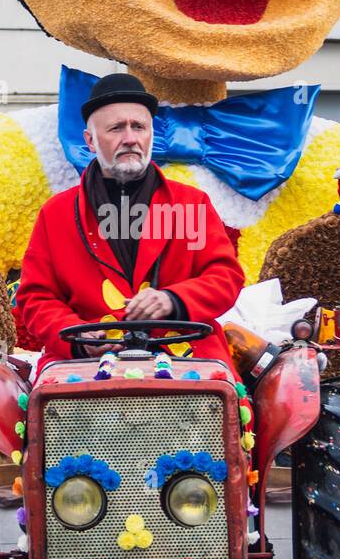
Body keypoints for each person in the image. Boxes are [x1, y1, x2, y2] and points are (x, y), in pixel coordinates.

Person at [18, 73, 245, 366]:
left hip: (185, 358)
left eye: (138, 127)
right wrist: (76, 337)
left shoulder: (190, 203)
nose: (130, 138)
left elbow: (225, 277)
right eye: (116, 128)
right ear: (90, 140)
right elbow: (36, 297)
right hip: (85, 364)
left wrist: (173, 300)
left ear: (151, 134)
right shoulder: (56, 213)